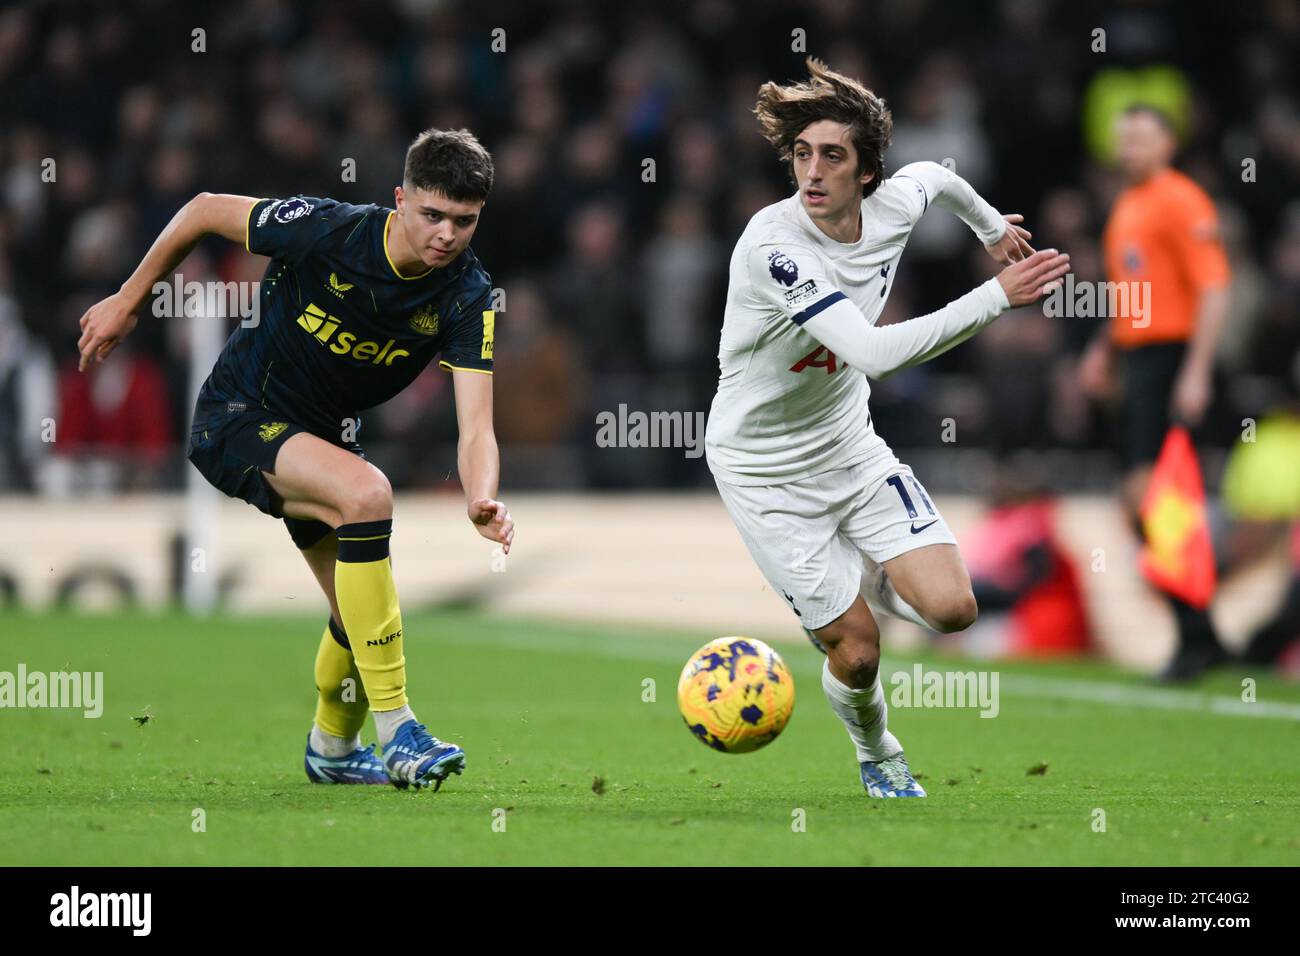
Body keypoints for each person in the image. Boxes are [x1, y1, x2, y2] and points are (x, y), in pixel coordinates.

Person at [75, 128, 514, 790]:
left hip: (320, 442)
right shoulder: (326, 229)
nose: (447, 235)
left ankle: (332, 750)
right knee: (368, 495)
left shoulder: (465, 293)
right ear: (400, 200)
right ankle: (398, 731)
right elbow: (200, 209)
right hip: (238, 418)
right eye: (432, 214)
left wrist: (482, 497)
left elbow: (477, 424)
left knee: (356, 613)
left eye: (464, 221)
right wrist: (129, 299)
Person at [704, 58, 1068, 797]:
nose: (812, 171)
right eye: (801, 154)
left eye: (831, 155)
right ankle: (879, 752)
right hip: (763, 472)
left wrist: (993, 227)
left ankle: (873, 571)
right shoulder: (774, 247)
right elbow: (870, 353)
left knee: (955, 611)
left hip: (847, 446)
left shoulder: (895, 203)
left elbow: (936, 175)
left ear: (867, 172)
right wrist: (995, 294)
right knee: (861, 652)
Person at [1078, 104, 1232, 682]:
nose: (1129, 149)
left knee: (1156, 500)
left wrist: (1197, 371)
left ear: (1169, 143)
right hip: (1140, 362)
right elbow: (1132, 295)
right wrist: (1106, 348)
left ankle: (1197, 637)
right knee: (1139, 504)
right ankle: (1202, 632)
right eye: (1124, 139)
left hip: (1172, 360)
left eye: (1141, 138)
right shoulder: (1127, 205)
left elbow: (1215, 289)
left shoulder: (1181, 199)